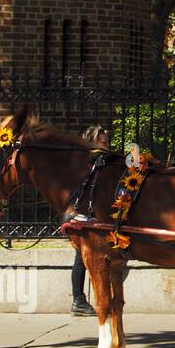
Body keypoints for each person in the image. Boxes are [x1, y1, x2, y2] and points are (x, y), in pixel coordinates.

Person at [69, 124, 110, 317]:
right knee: (81, 257)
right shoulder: (87, 160)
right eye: (100, 141)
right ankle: (78, 299)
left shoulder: (101, 160)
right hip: (83, 213)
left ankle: (80, 299)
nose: (105, 145)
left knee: (86, 257)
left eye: (106, 142)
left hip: (93, 212)